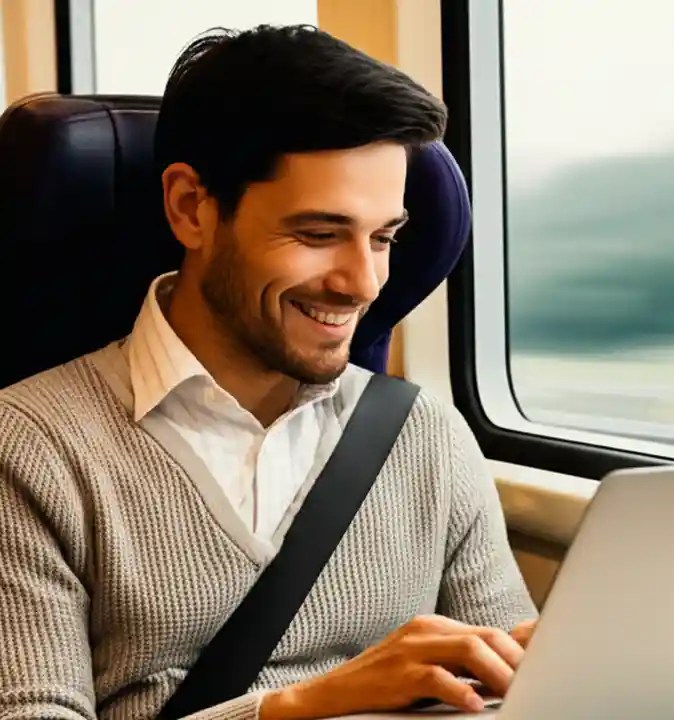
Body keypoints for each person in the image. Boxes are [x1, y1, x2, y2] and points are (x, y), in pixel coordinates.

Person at [0, 25, 537, 720]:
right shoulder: (30, 448)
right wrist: (298, 706)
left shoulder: (426, 435)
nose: (363, 283)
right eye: (318, 235)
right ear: (191, 208)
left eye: (384, 238)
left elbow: (510, 692)